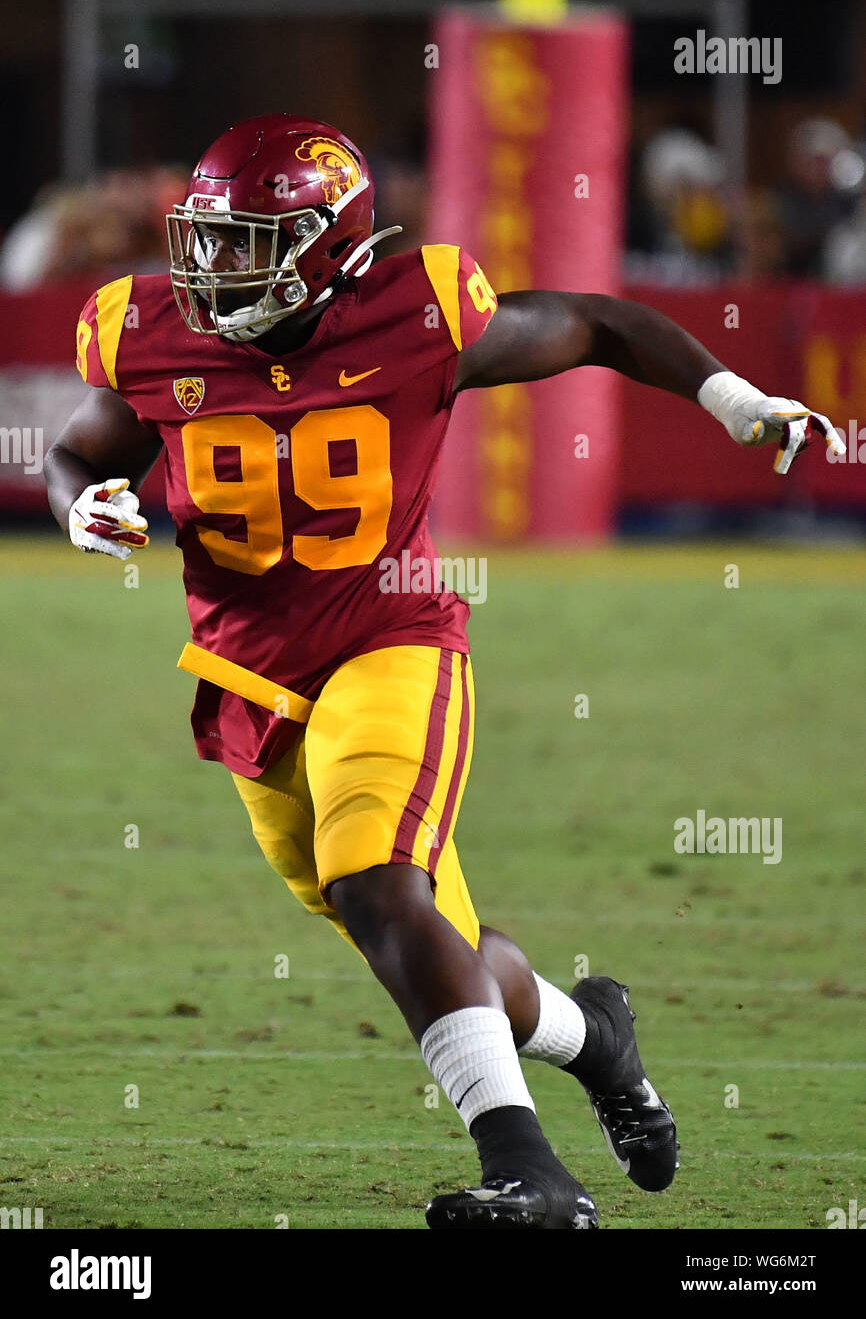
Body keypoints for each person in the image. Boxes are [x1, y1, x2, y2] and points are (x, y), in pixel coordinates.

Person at [43, 114, 842, 1230]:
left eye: (247, 242)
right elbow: (85, 442)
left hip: (390, 642)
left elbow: (597, 323)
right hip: (250, 683)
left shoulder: (414, 317)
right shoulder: (159, 334)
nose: (215, 267)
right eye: (211, 239)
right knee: (430, 947)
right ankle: (594, 1037)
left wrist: (735, 400)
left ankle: (531, 1173)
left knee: (378, 883)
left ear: (326, 246)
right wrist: (76, 499)